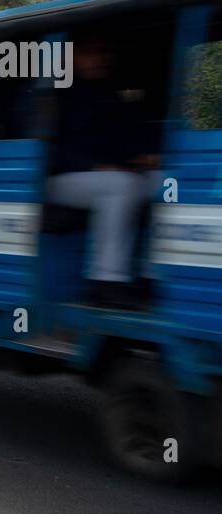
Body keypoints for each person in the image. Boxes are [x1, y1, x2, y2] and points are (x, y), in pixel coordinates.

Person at [45, 36, 160, 310]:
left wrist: (143, 156)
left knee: (164, 181)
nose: (99, 58)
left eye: (103, 51)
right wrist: (96, 166)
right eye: (90, 51)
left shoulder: (108, 93)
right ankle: (106, 281)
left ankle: (149, 274)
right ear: (69, 57)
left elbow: (126, 136)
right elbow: (47, 150)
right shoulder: (52, 93)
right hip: (55, 179)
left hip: (101, 177)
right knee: (122, 185)